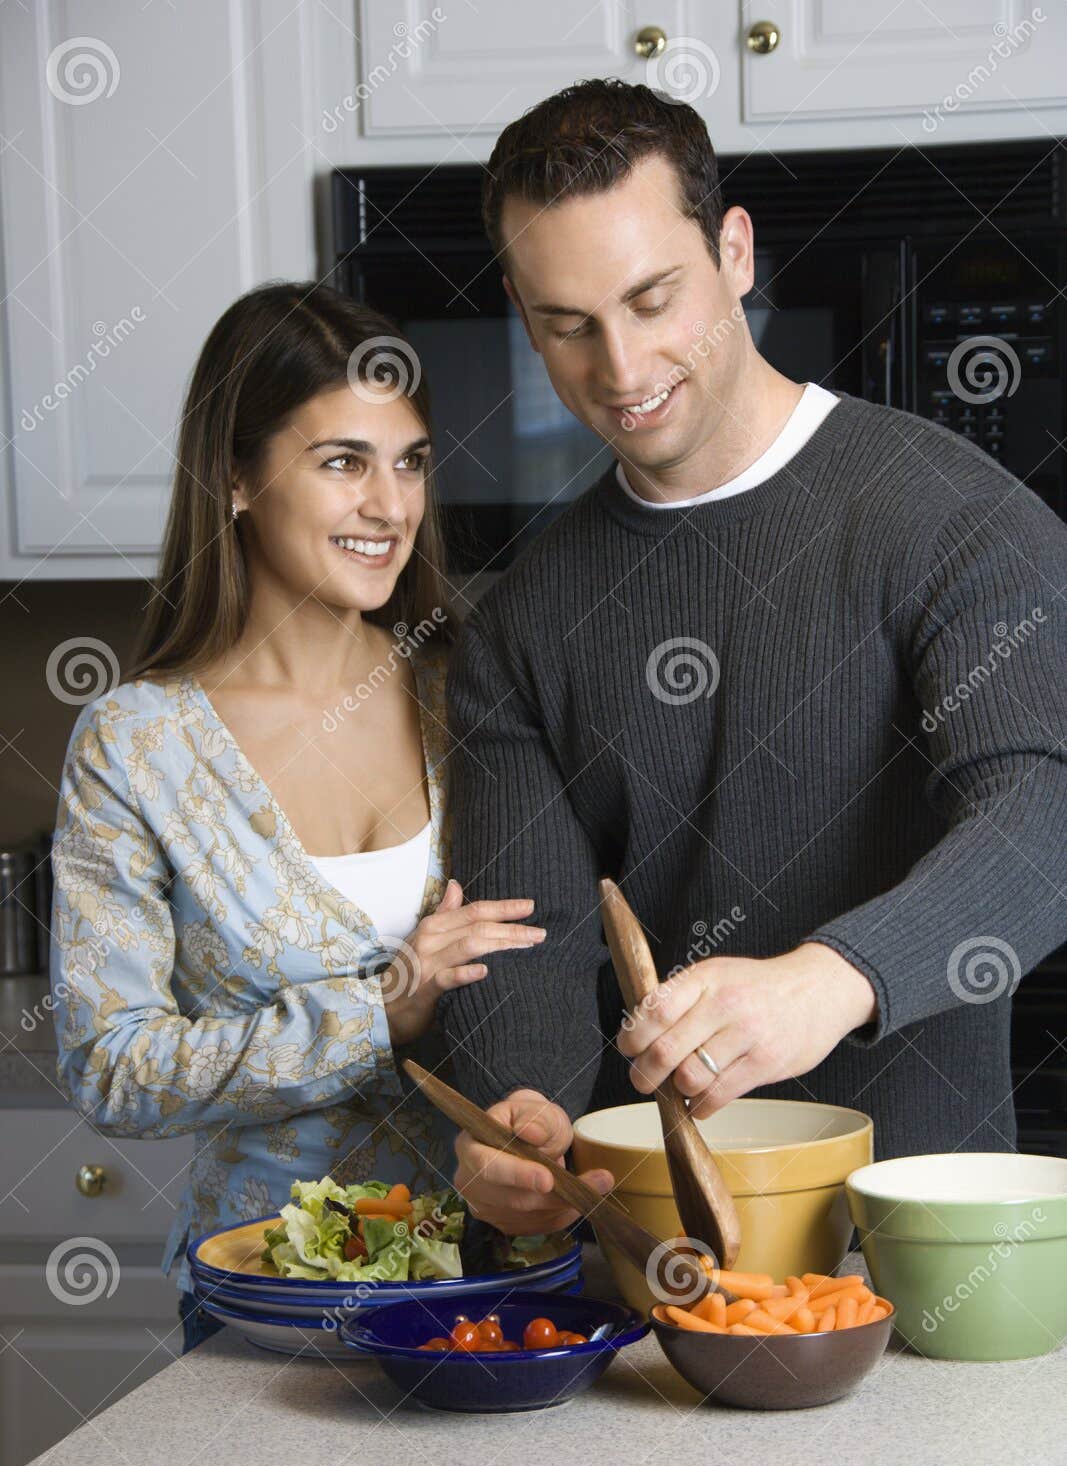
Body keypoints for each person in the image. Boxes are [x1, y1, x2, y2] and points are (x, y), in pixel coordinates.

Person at [440, 79, 1067, 1239]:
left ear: (731, 252)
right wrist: (512, 1121)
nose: (619, 369)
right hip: (645, 1269)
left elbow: (1045, 809)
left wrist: (829, 978)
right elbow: (520, 945)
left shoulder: (952, 517)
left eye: (650, 298)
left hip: (919, 1256)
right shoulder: (518, 619)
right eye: (566, 324)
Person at [49, 282, 547, 1350]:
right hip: (266, 1305)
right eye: (341, 462)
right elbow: (113, 1069)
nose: (389, 505)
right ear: (234, 477)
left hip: (499, 1289)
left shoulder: (474, 694)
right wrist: (379, 1012)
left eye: (408, 460)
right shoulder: (138, 743)